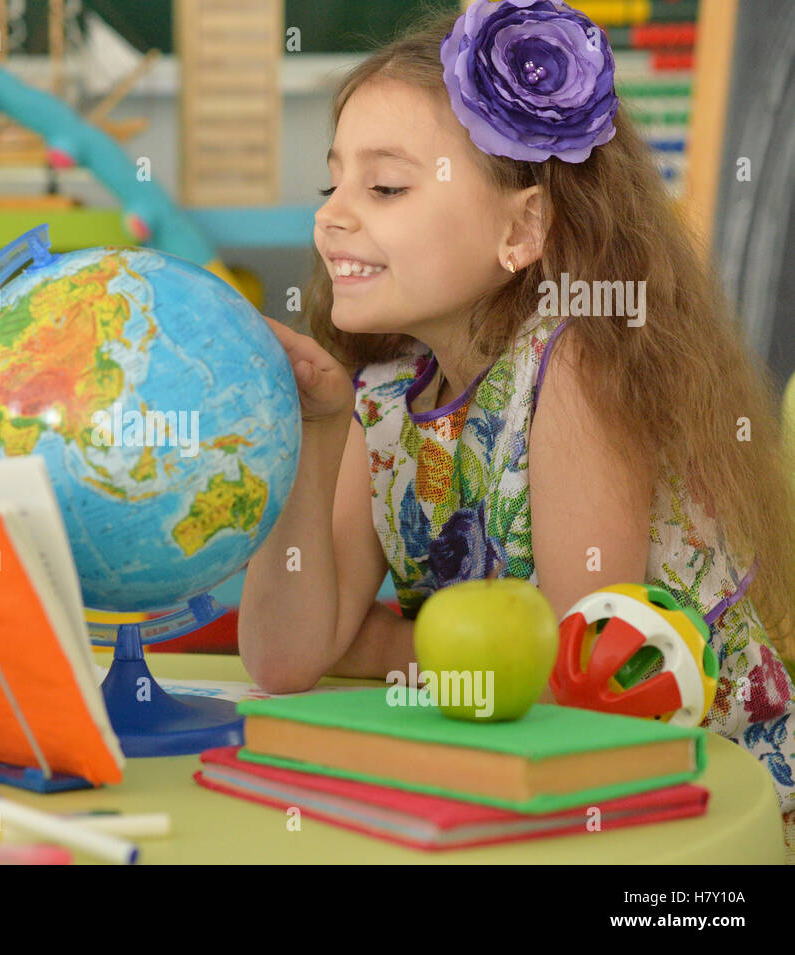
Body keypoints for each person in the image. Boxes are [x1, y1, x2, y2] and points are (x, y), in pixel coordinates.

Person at [241, 0, 795, 861]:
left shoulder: (569, 368)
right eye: (332, 183)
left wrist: (388, 644)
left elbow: (585, 678)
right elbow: (284, 659)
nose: (331, 216)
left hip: (695, 802)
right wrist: (315, 435)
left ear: (522, 228)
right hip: (526, 788)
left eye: (384, 186)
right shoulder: (382, 404)